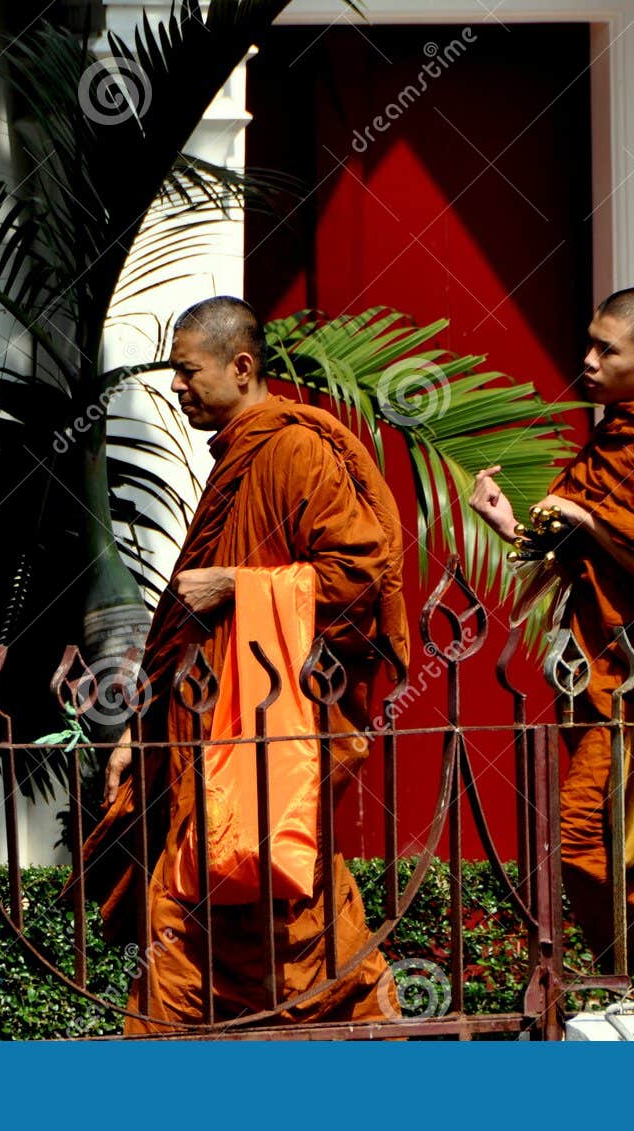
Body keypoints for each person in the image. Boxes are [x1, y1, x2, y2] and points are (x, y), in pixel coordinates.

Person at [78, 296, 409, 1033]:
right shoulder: (243, 454)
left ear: (242, 366)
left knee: (242, 906)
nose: (177, 387)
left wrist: (237, 586)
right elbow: (186, 636)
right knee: (216, 912)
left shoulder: (295, 450)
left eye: (188, 372)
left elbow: (360, 569)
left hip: (266, 730)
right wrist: (140, 734)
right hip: (205, 726)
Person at [468, 286, 634, 1002]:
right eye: (588, 343)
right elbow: (573, 552)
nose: (586, 361)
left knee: (602, 847)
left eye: (606, 349)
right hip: (609, 680)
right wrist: (508, 525)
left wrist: (589, 522)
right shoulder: (613, 438)